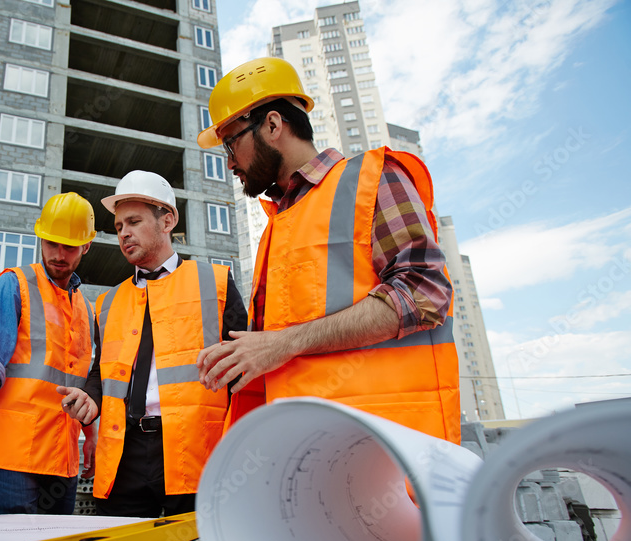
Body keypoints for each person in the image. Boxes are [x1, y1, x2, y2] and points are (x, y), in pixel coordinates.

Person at [195, 57, 460, 444]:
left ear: (272, 125)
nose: (230, 163)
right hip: (308, 456)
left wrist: (283, 342)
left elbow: (424, 293)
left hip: (389, 455)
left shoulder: (372, 177)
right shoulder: (277, 226)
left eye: (231, 143)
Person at [58, 171, 248, 517]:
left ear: (168, 221)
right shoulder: (109, 302)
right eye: (118, 227)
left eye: (133, 221)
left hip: (197, 452)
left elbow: (244, 373)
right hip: (123, 455)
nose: (124, 233)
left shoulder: (215, 283)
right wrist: (91, 397)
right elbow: (105, 370)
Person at [0, 192, 98, 515]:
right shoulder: (15, 286)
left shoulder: (87, 311)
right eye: (51, 244)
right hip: (10, 458)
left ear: (86, 246)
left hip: (63, 462)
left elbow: (84, 382)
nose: (59, 255)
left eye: (70, 246)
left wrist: (92, 435)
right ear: (41, 238)